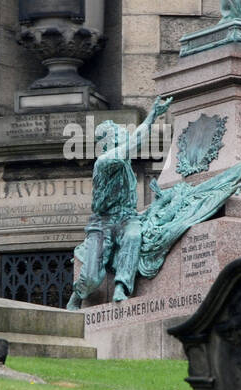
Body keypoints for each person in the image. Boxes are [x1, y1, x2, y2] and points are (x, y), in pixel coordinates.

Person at [67, 96, 173, 308]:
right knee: (91, 279)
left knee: (134, 235)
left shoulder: (124, 162)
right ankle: (77, 295)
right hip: (102, 224)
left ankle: (121, 287)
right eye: (120, 134)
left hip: (126, 219)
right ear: (111, 141)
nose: (125, 136)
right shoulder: (106, 162)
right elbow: (134, 144)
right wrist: (152, 116)